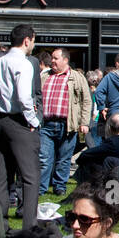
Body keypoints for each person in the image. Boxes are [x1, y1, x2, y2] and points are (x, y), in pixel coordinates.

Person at [0, 23, 42, 232]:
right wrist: (34, 121)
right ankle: (29, 226)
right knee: (30, 176)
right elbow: (25, 97)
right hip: (19, 122)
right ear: (27, 40)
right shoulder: (24, 64)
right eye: (33, 41)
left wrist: (0, 107)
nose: (33, 45)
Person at [38, 47, 92, 197]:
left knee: (64, 159)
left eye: (56, 58)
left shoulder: (77, 77)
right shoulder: (45, 76)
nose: (52, 61)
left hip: (68, 125)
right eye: (52, 58)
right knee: (44, 158)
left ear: (65, 60)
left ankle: (59, 186)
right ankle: (41, 188)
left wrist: (84, 123)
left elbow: (86, 101)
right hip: (46, 125)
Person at [72, 113, 119, 187]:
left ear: (109, 127)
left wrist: (79, 161)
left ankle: (81, 192)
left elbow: (88, 153)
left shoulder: (114, 142)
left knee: (89, 163)